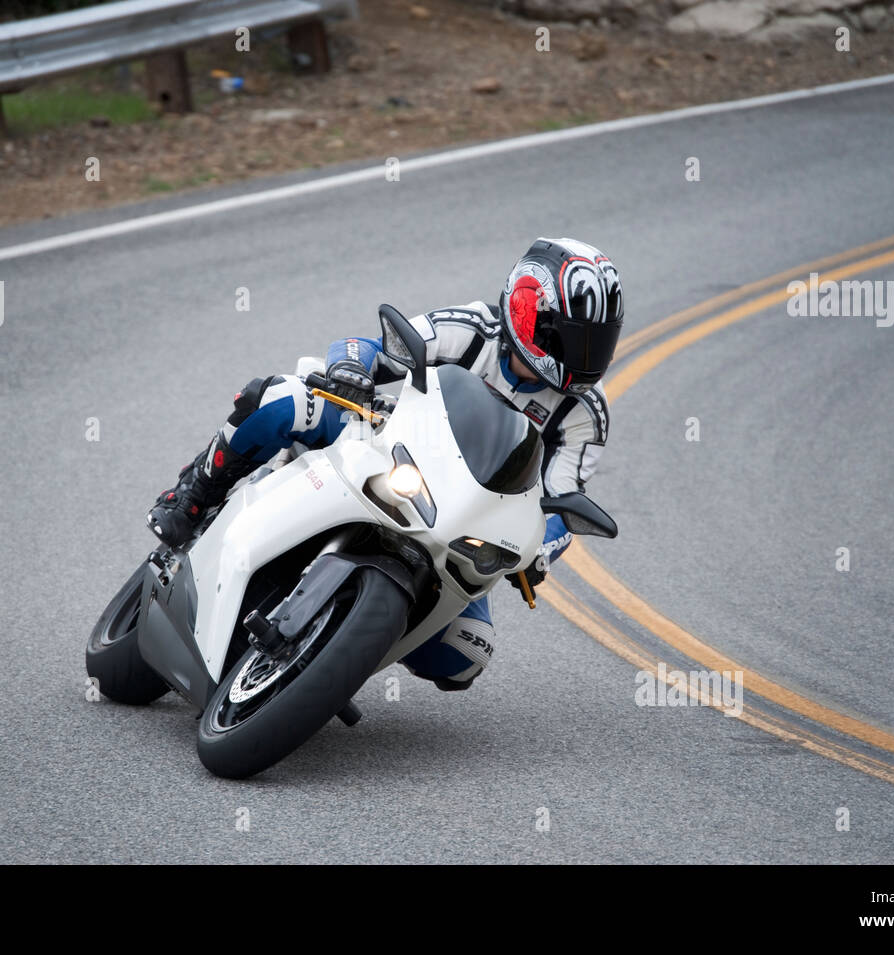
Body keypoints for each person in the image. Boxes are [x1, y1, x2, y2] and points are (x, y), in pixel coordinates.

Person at [147, 237, 624, 691]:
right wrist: (352, 370)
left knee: (465, 656)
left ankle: (331, 659)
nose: (586, 359)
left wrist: (539, 552)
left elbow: (561, 502)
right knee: (282, 399)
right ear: (527, 312)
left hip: (465, 519)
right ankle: (194, 494)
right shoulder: (473, 328)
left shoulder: (586, 413)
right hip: (388, 445)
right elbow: (373, 345)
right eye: (575, 341)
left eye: (597, 345)